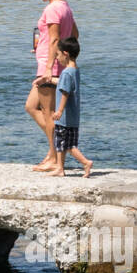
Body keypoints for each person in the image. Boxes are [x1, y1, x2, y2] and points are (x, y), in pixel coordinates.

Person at [24, 0, 78, 172]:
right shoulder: (66, 7)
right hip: (55, 62)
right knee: (31, 106)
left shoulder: (52, 9)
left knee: (48, 113)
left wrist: (48, 67)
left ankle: (55, 158)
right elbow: (74, 35)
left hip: (50, 66)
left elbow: (55, 38)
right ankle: (53, 153)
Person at [49, 37, 92, 178]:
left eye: (58, 55)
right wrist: (48, 79)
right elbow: (64, 84)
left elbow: (65, 92)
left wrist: (59, 111)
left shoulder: (66, 72)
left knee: (66, 145)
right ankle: (60, 168)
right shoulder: (75, 71)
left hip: (65, 116)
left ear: (65, 54)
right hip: (73, 116)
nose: (57, 58)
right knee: (63, 143)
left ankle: (85, 162)